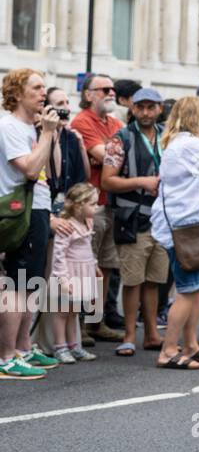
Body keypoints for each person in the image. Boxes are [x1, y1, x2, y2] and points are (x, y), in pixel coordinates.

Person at [0, 68, 64, 378]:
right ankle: (6, 355)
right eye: (36, 88)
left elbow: (52, 172)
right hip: (17, 212)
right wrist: (48, 134)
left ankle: (23, 347)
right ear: (16, 93)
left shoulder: (34, 128)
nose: (43, 93)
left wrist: (53, 133)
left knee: (31, 283)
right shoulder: (9, 126)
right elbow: (28, 169)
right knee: (17, 282)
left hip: (37, 208)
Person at [151, 96, 199, 371]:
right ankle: (168, 350)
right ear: (195, 115)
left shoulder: (182, 144)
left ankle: (191, 345)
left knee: (195, 288)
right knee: (187, 291)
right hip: (184, 227)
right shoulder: (191, 145)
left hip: (191, 225)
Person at [101, 86, 168, 358]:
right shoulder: (121, 139)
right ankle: (129, 336)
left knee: (154, 280)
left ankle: (152, 334)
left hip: (162, 219)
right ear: (132, 109)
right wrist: (142, 181)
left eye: (151, 107)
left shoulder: (168, 136)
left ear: (160, 109)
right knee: (132, 280)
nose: (145, 112)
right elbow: (107, 180)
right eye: (140, 107)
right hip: (133, 219)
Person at [70, 73, 125, 342]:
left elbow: (115, 158)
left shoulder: (114, 122)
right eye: (104, 88)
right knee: (85, 266)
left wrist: (109, 157)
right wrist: (110, 157)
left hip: (111, 202)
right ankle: (79, 324)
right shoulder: (82, 121)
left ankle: (96, 322)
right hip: (91, 206)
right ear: (88, 94)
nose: (111, 92)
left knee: (106, 265)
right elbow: (107, 156)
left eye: (112, 88)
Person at [47, 182, 100, 364]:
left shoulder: (88, 222)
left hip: (83, 270)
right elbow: (59, 254)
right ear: (78, 205)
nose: (97, 207)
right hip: (69, 272)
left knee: (74, 311)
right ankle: (60, 347)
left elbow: (88, 247)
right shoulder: (68, 226)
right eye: (92, 204)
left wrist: (94, 264)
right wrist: (62, 279)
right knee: (62, 311)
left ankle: (74, 345)